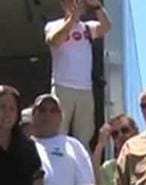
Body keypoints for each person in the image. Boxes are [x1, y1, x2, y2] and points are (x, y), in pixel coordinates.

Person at [44, 0, 112, 144]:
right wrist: (71, 20)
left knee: (84, 136)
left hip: (85, 89)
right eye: (71, 1)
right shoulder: (53, 25)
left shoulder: (87, 27)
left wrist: (97, 7)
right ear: (63, 4)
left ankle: (80, 163)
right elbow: (54, 41)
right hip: (62, 86)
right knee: (57, 131)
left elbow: (106, 27)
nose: (76, 4)